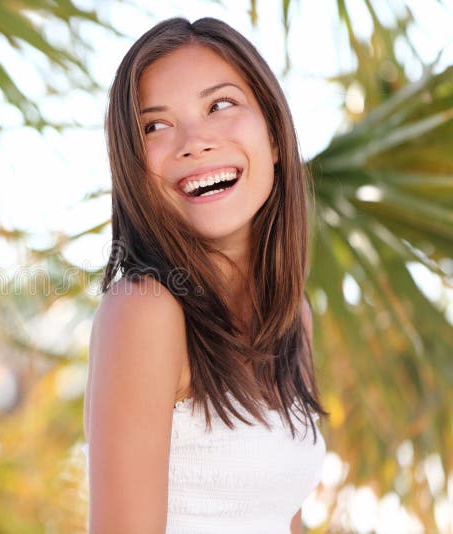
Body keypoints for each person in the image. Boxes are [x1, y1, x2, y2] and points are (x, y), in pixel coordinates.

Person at [82, 16, 329, 533]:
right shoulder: (144, 308)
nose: (194, 142)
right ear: (133, 170)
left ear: (275, 137)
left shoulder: (291, 319)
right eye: (155, 125)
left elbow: (281, 519)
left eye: (220, 105)